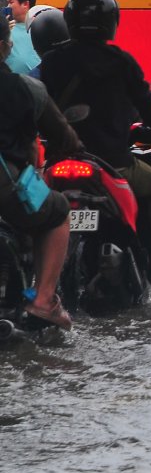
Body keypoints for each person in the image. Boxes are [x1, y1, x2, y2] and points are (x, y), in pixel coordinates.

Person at [38, 0, 151, 297]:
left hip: (59, 163)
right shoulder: (122, 62)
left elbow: (36, 105)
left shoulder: (51, 62)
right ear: (111, 22)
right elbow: (148, 107)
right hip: (114, 163)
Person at [0, 23, 82, 329]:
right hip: (10, 190)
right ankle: (44, 300)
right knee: (58, 210)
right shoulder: (27, 88)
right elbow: (63, 135)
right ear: (3, 46)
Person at [5, 0, 40, 75]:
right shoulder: (5, 27)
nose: (7, 7)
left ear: (25, 4)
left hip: (37, 84)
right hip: (10, 83)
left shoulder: (40, 27)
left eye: (11, 2)